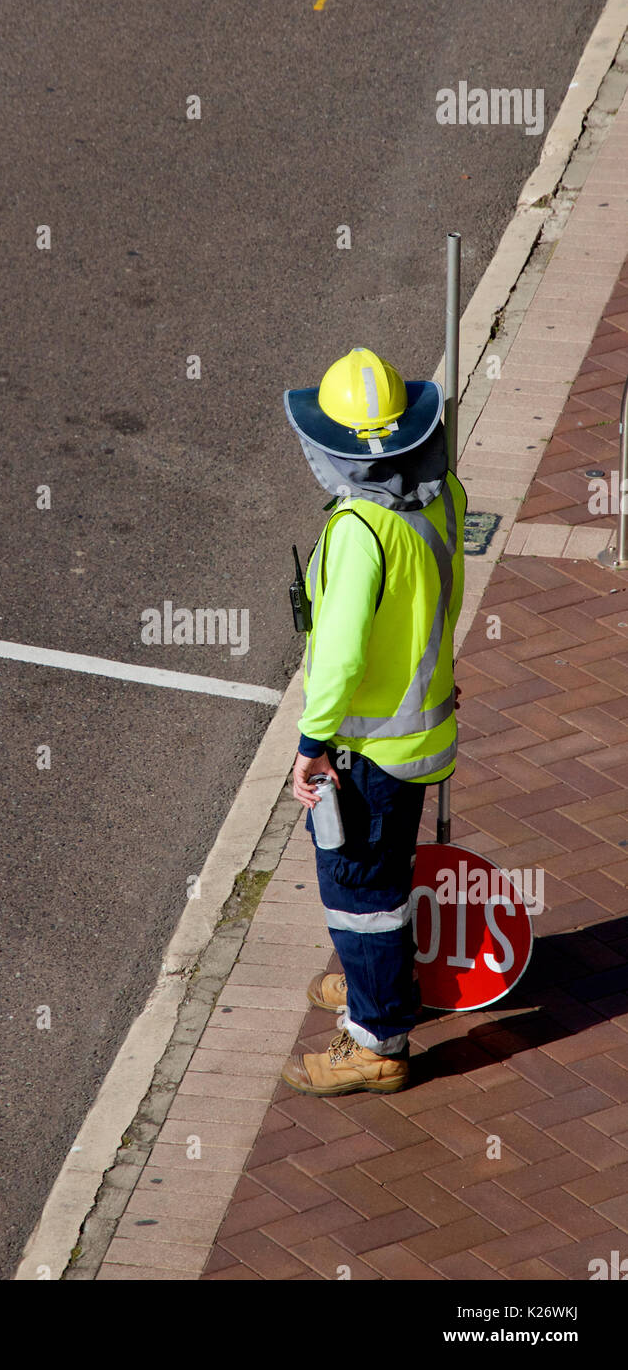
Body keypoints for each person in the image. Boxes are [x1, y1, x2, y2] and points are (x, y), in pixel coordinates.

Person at [280, 346, 466, 1096]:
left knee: (360, 895)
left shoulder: (360, 529)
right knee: (383, 875)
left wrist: (312, 743)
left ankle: (378, 1037)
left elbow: (340, 655)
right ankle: (371, 989)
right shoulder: (440, 491)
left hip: (367, 749)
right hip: (422, 732)